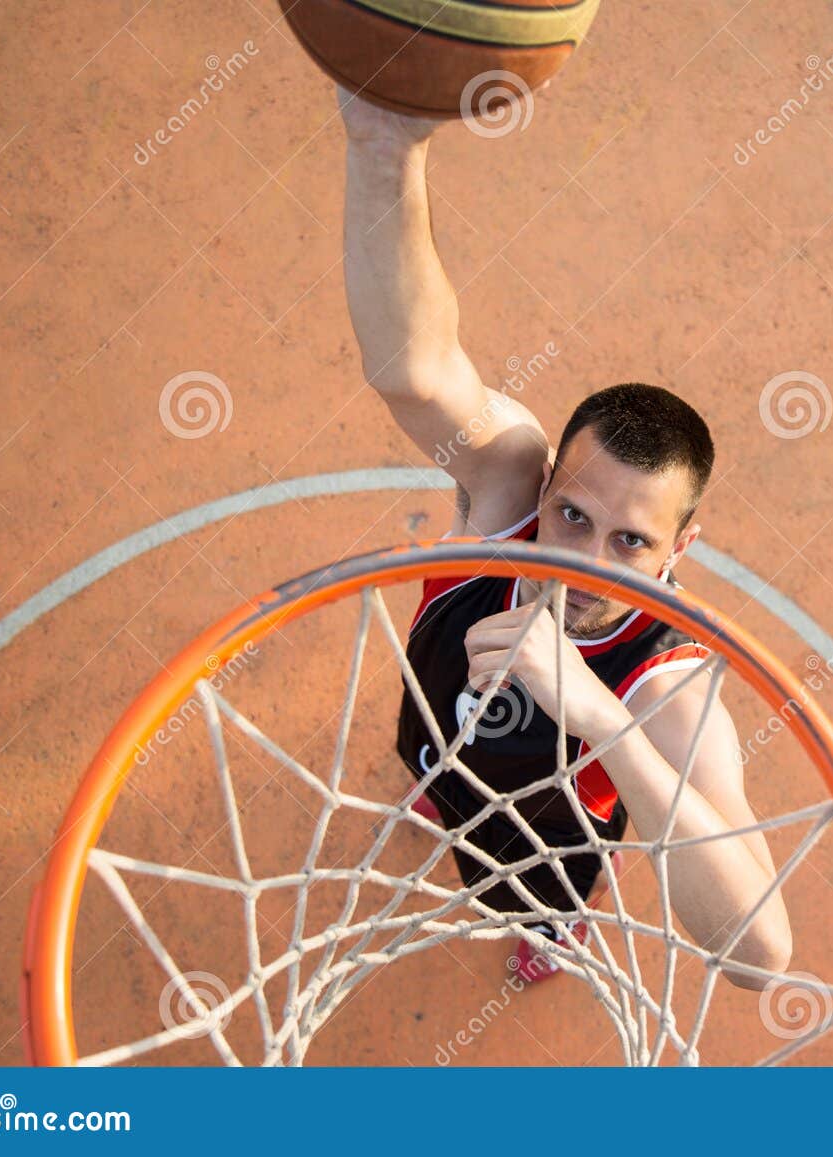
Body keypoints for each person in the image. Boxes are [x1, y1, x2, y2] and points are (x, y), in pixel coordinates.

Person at [339, 87, 790, 989]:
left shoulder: (669, 685)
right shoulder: (505, 492)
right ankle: (436, 796)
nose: (583, 565)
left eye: (630, 542)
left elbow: (760, 958)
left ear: (679, 552)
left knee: (542, 915)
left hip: (544, 844)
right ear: (543, 487)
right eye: (573, 516)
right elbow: (413, 371)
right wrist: (386, 143)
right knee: (434, 785)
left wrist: (596, 711)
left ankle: (550, 935)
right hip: (437, 737)